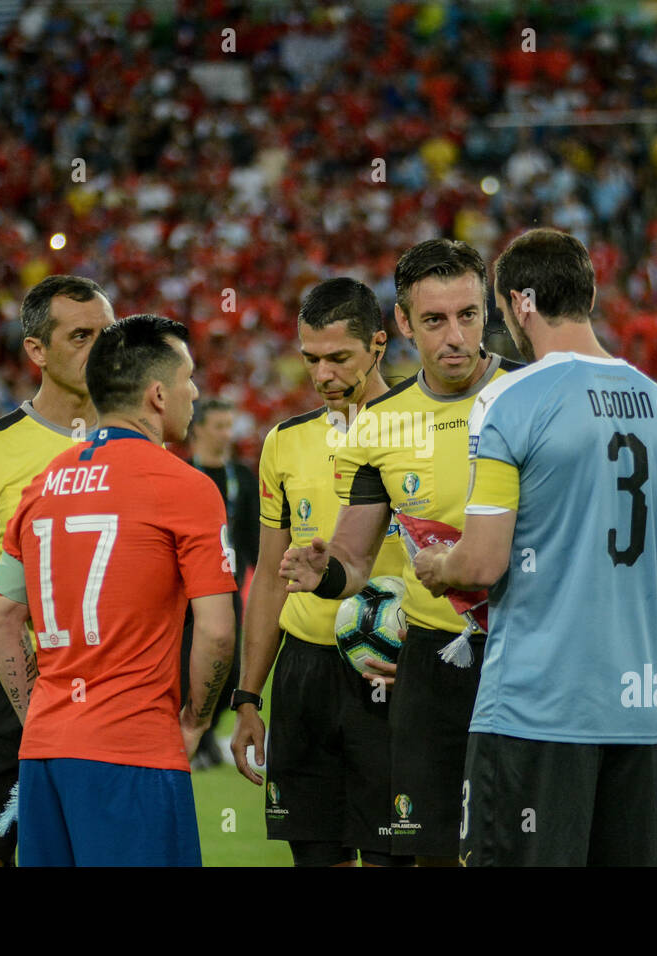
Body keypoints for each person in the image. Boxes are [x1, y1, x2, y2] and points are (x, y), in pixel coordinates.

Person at [412, 228, 657, 866]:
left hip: (534, 707)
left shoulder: (509, 399)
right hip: (630, 714)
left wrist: (437, 565)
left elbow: (483, 563)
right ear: (590, 293)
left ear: (519, 303)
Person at [281, 240, 522, 865]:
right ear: (404, 324)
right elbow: (355, 560)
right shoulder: (379, 424)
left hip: (529, 659)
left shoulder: (533, 394)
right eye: (435, 320)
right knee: (434, 850)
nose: (455, 337)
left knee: (525, 845)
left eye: (469, 315)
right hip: (433, 665)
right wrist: (324, 573)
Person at [0, 314, 236, 866]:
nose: (195, 392)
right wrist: (195, 723)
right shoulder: (186, 487)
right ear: (158, 394)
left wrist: (37, 716)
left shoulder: (42, 483)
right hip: (134, 751)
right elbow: (216, 629)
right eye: (189, 378)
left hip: (46, 755)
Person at [0, 275, 114, 867]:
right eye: (82, 336)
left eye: (108, 336)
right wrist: (61, 596)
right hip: (3, 677)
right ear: (37, 350)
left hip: (109, 682)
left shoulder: (142, 447)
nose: (102, 350)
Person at [230, 277, 411, 867]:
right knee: (315, 856)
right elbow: (268, 580)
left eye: (340, 358)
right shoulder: (284, 442)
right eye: (311, 359)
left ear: (379, 345)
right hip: (306, 674)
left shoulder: (420, 430)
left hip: (395, 668)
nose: (324, 374)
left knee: (396, 855)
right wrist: (249, 697)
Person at [181, 396, 259, 769]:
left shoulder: (241, 477)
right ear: (197, 429)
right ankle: (190, 736)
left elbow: (253, 539)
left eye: (230, 425)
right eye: (219, 426)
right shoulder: (180, 472)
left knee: (228, 669)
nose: (227, 433)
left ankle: (207, 735)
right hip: (183, 593)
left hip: (228, 589)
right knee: (184, 664)